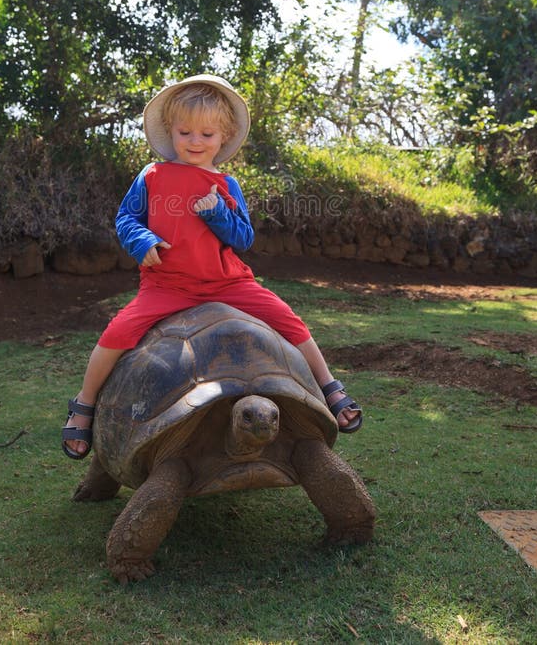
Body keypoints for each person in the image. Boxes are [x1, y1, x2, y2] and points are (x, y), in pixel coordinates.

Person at [62, 74, 362, 459]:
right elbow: (127, 219)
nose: (195, 142)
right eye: (185, 132)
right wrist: (142, 240)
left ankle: (327, 385)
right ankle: (84, 405)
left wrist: (218, 213)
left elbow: (243, 239)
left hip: (226, 283)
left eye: (206, 134)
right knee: (117, 333)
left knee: (288, 319)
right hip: (166, 285)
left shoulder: (226, 184)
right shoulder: (152, 176)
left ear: (224, 137)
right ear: (170, 132)